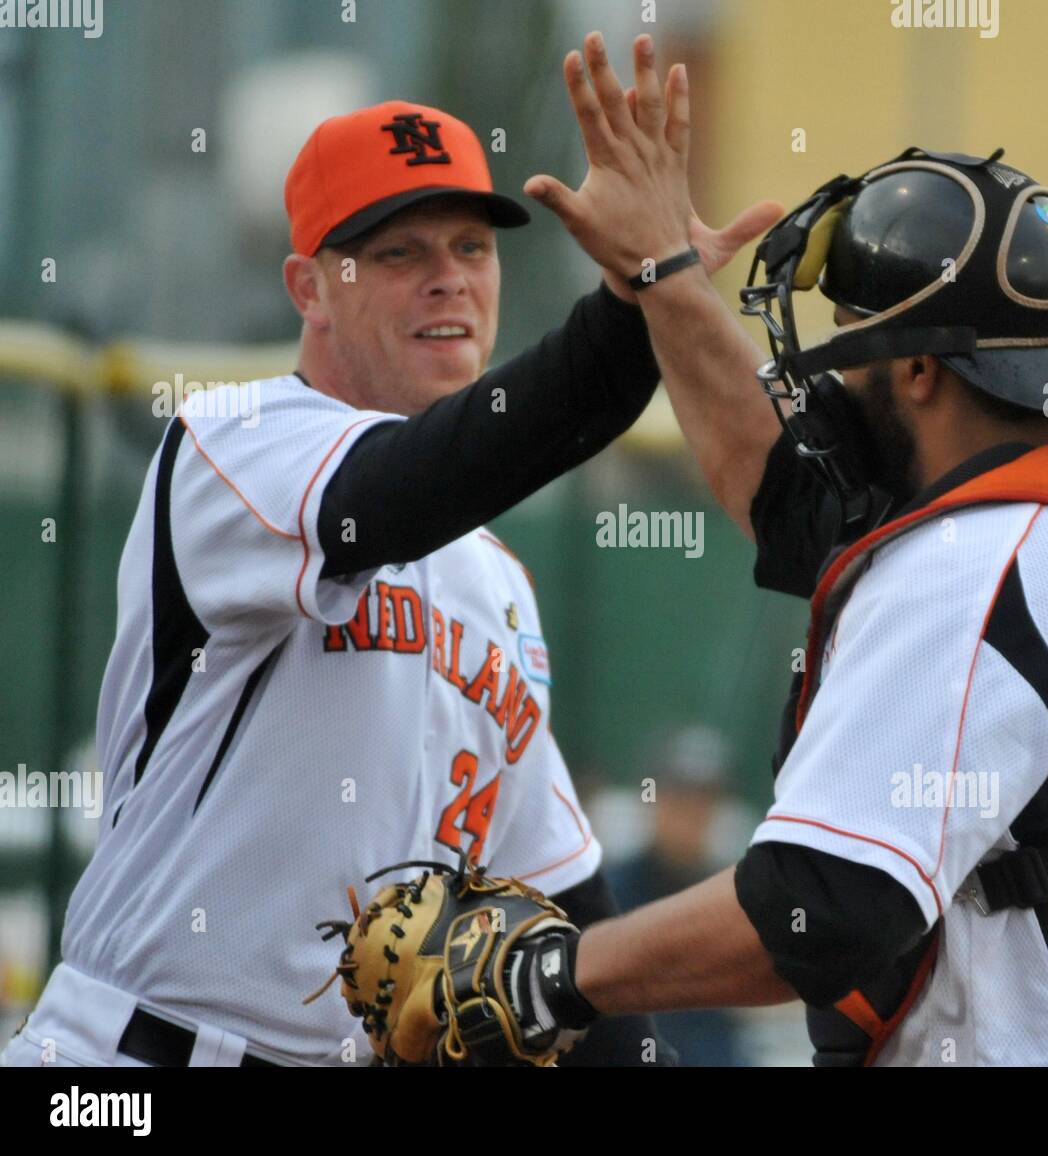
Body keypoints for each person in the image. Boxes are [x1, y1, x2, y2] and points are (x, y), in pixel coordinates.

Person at [460, 36, 1048, 1066]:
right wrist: (662, 273)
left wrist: (539, 972)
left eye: (854, 341)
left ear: (926, 373)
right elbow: (789, 495)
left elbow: (814, 907)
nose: (835, 377)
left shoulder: (976, 569)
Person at [1, 34, 782, 1067]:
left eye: (471, 247)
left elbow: (567, 914)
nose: (448, 281)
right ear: (309, 286)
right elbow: (410, 487)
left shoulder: (496, 584)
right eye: (398, 252)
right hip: (129, 1065)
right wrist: (638, 301)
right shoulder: (233, 446)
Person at [606, 726, 747, 1066]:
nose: (689, 816)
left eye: (701, 801)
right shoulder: (609, 893)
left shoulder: (734, 896)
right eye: (678, 799)